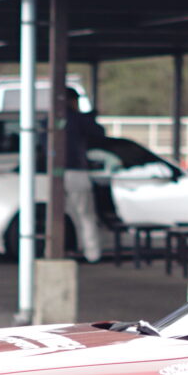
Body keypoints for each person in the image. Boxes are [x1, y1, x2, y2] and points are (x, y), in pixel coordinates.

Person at [59, 87, 111, 264]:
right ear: (72, 100)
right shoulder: (77, 118)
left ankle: (63, 249)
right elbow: (99, 133)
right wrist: (88, 117)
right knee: (85, 215)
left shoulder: (49, 119)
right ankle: (92, 253)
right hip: (76, 172)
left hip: (52, 175)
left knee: (62, 215)